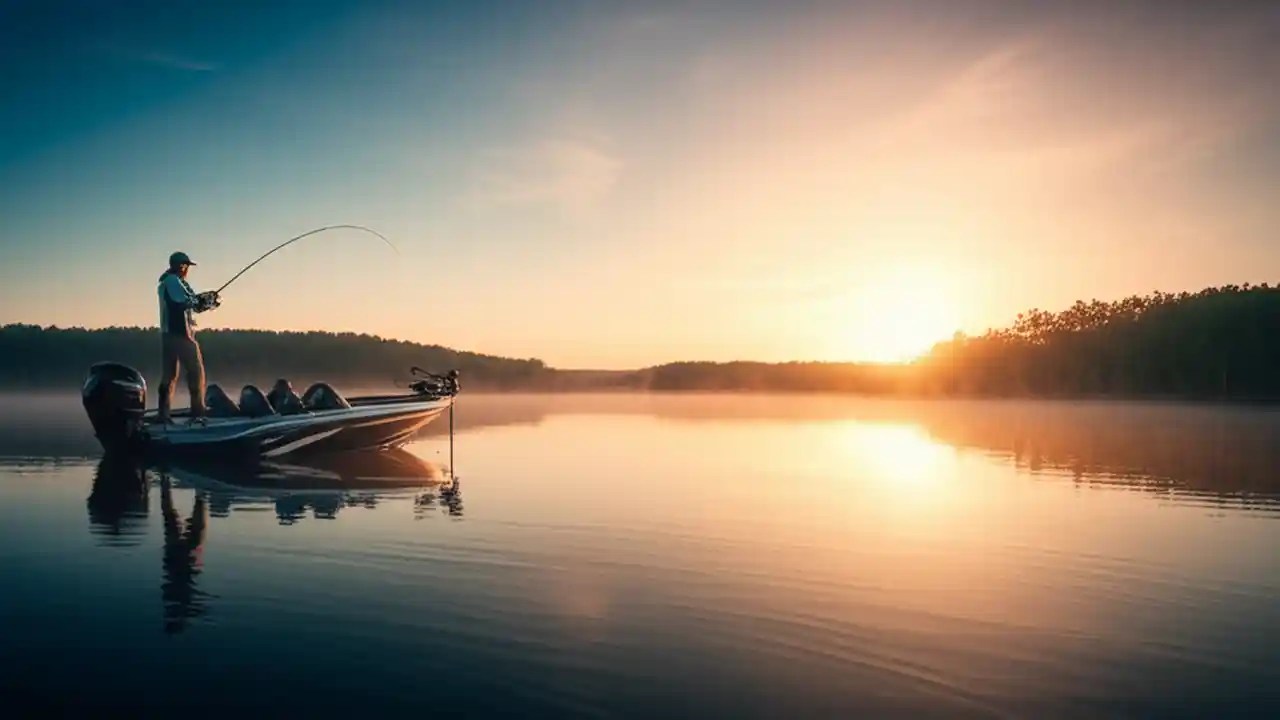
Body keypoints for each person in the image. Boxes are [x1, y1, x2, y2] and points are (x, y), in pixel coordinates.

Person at [158, 251, 219, 424]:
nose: (187, 270)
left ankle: (163, 415)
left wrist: (208, 301)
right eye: (186, 266)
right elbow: (183, 303)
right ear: (181, 266)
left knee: (169, 376)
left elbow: (192, 303)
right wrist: (205, 300)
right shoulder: (173, 281)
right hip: (180, 334)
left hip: (168, 335)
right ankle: (198, 412)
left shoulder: (170, 282)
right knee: (196, 372)